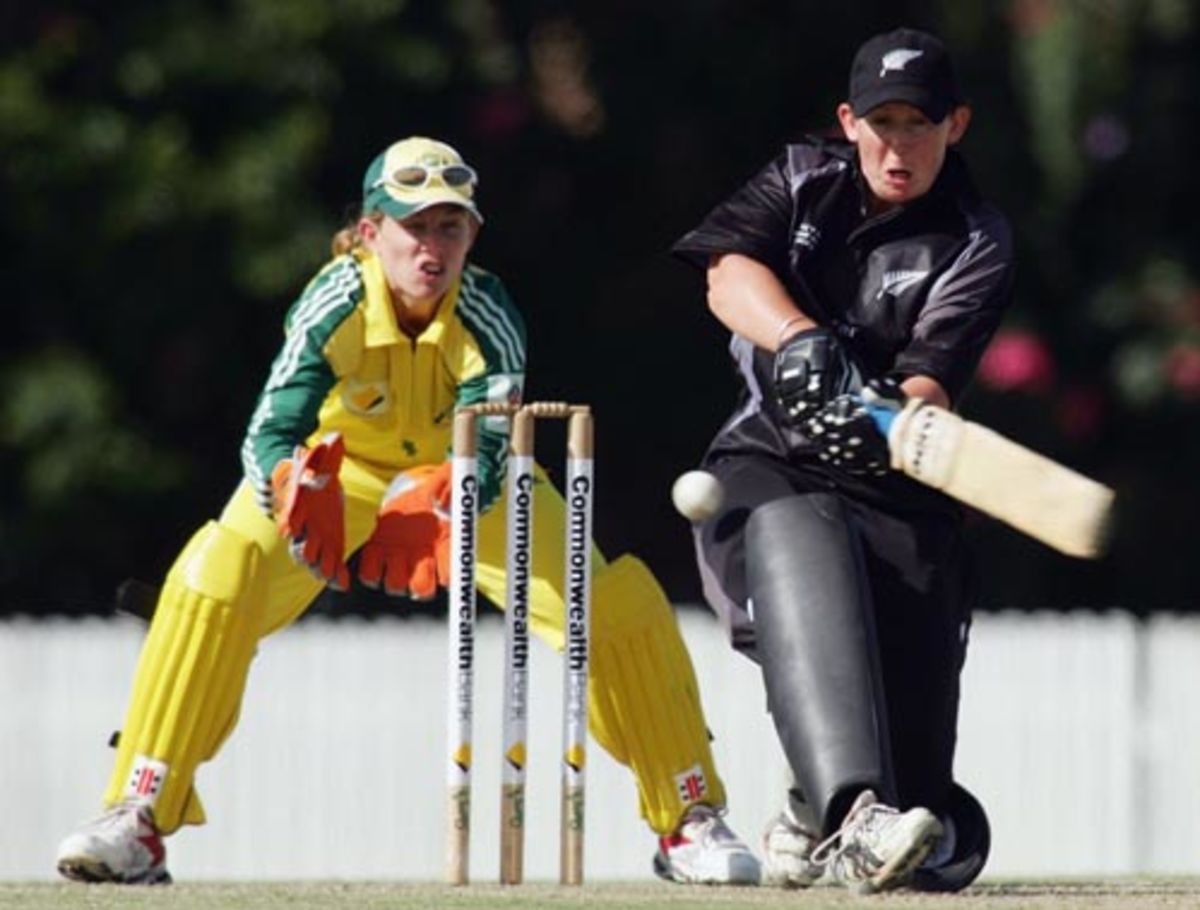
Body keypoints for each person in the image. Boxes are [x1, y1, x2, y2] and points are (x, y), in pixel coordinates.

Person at [56, 136, 759, 886]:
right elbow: (270, 432)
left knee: (613, 606)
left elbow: (493, 450)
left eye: (449, 227)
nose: (432, 246)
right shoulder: (335, 301)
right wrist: (292, 489)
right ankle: (138, 815)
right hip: (337, 474)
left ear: (471, 236)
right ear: (370, 233)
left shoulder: (487, 312)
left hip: (463, 481)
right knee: (212, 581)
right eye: (413, 226)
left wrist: (448, 500)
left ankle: (689, 819)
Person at [672, 28, 1014, 894]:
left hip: (896, 490)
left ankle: (812, 806)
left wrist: (883, 416)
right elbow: (726, 274)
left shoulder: (976, 238)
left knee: (923, 820)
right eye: (882, 124)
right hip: (765, 467)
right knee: (801, 530)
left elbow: (931, 385)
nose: (898, 147)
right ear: (849, 122)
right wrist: (799, 340)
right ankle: (850, 815)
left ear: (956, 125)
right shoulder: (801, 177)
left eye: (919, 125)